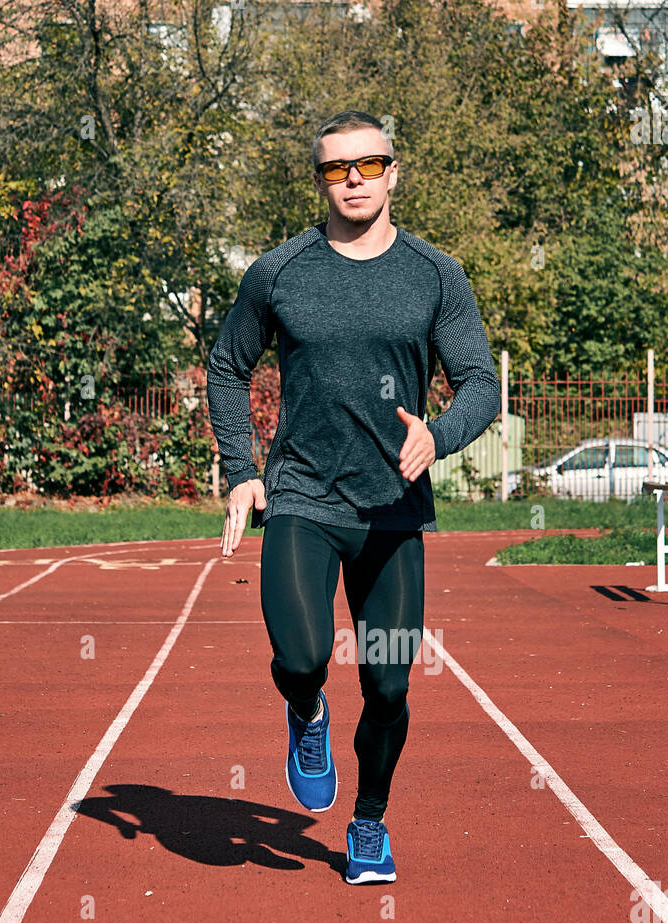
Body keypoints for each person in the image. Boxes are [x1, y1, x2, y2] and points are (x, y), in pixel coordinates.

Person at [207, 109, 500, 884]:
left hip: (392, 511)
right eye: (337, 168)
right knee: (301, 658)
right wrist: (241, 469)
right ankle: (305, 711)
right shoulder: (278, 272)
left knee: (389, 683)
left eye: (369, 164)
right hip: (301, 497)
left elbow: (480, 381)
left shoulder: (435, 273)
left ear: (393, 172)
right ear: (319, 180)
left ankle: (368, 822)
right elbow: (227, 366)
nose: (354, 180)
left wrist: (440, 434)